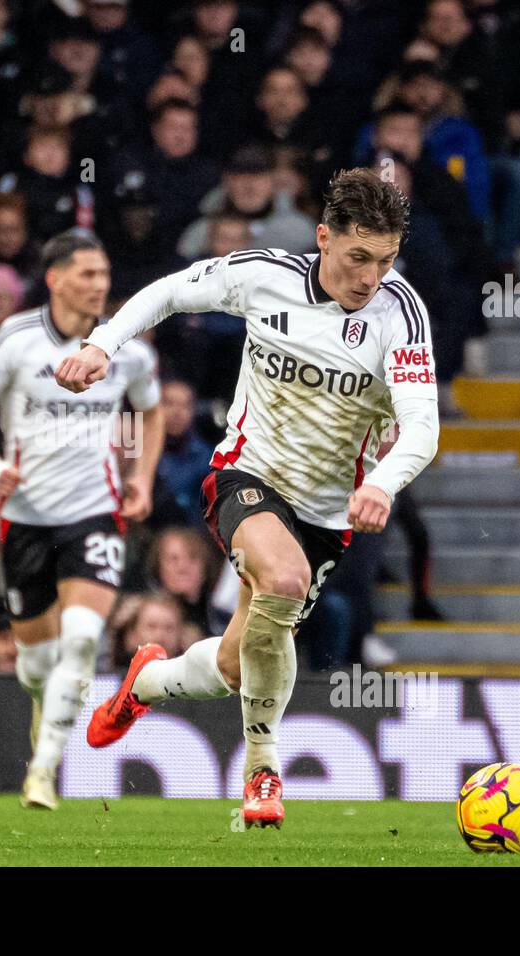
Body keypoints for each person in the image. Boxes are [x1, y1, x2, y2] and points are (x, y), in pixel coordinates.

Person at [57, 168, 440, 827]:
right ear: (323, 238)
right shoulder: (265, 274)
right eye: (356, 258)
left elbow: (423, 426)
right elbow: (172, 292)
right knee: (284, 582)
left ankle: (145, 682)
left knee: (239, 662)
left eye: (384, 261)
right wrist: (102, 345)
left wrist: (382, 482)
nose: (370, 277)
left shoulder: (399, 316)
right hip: (248, 471)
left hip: (326, 512)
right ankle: (263, 774)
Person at [0, 229, 162, 810]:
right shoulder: (14, 340)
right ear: (55, 278)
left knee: (84, 640)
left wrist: (140, 477)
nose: (100, 285)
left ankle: (42, 771)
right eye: (87, 273)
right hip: (25, 518)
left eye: (104, 274)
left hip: (94, 513)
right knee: (37, 665)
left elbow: (152, 410)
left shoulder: (126, 347)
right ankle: (46, 703)